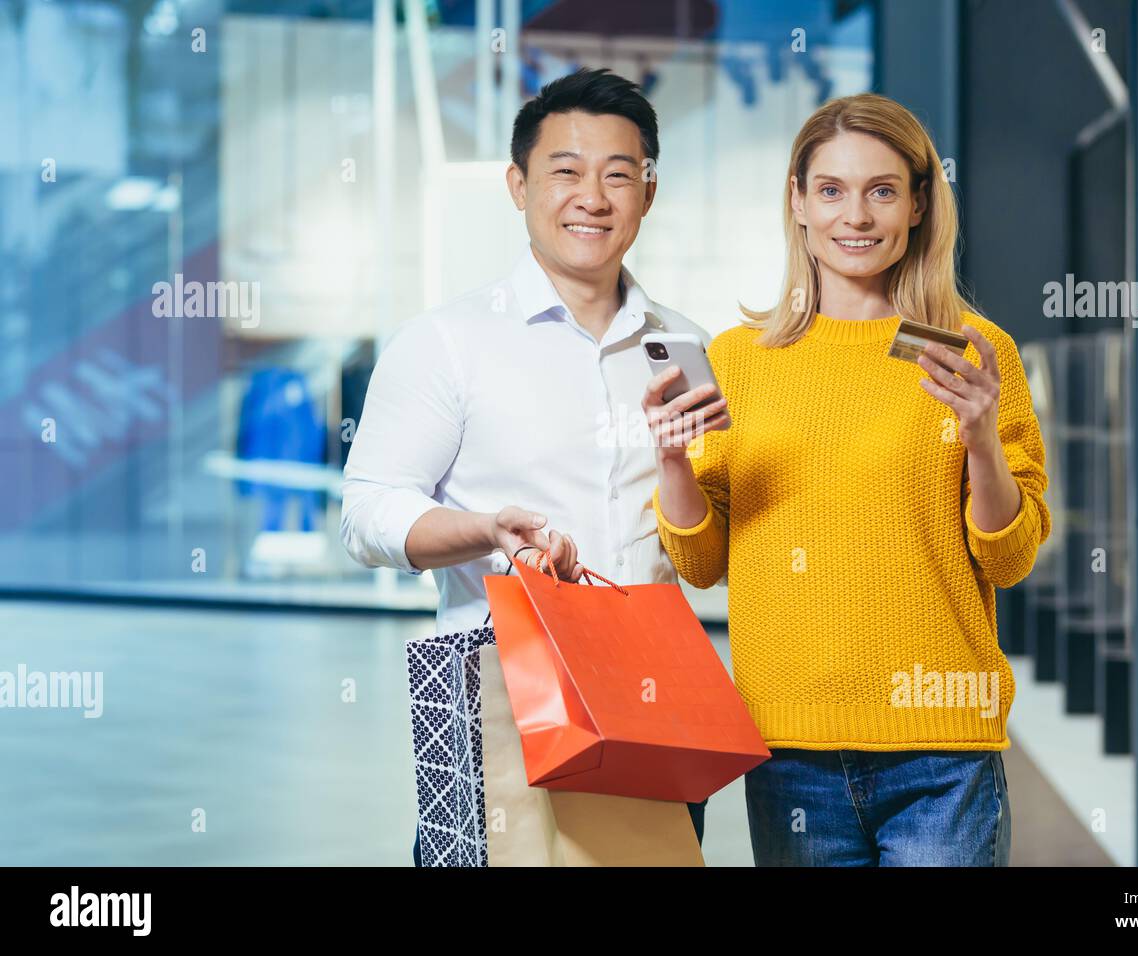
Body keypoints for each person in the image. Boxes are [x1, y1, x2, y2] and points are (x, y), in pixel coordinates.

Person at [644, 92, 1051, 866]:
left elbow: (1011, 558)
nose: (855, 216)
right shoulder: (739, 357)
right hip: (788, 750)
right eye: (831, 190)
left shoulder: (970, 351)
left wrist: (981, 442)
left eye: (882, 191)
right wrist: (671, 461)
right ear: (797, 202)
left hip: (943, 751)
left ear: (920, 204)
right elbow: (700, 565)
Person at [340, 68, 712, 865]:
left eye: (620, 174)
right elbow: (367, 513)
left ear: (649, 192)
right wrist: (481, 530)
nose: (594, 196)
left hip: (653, 703)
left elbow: (706, 540)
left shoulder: (685, 347)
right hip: (495, 699)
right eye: (566, 171)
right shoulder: (446, 342)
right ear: (518, 185)